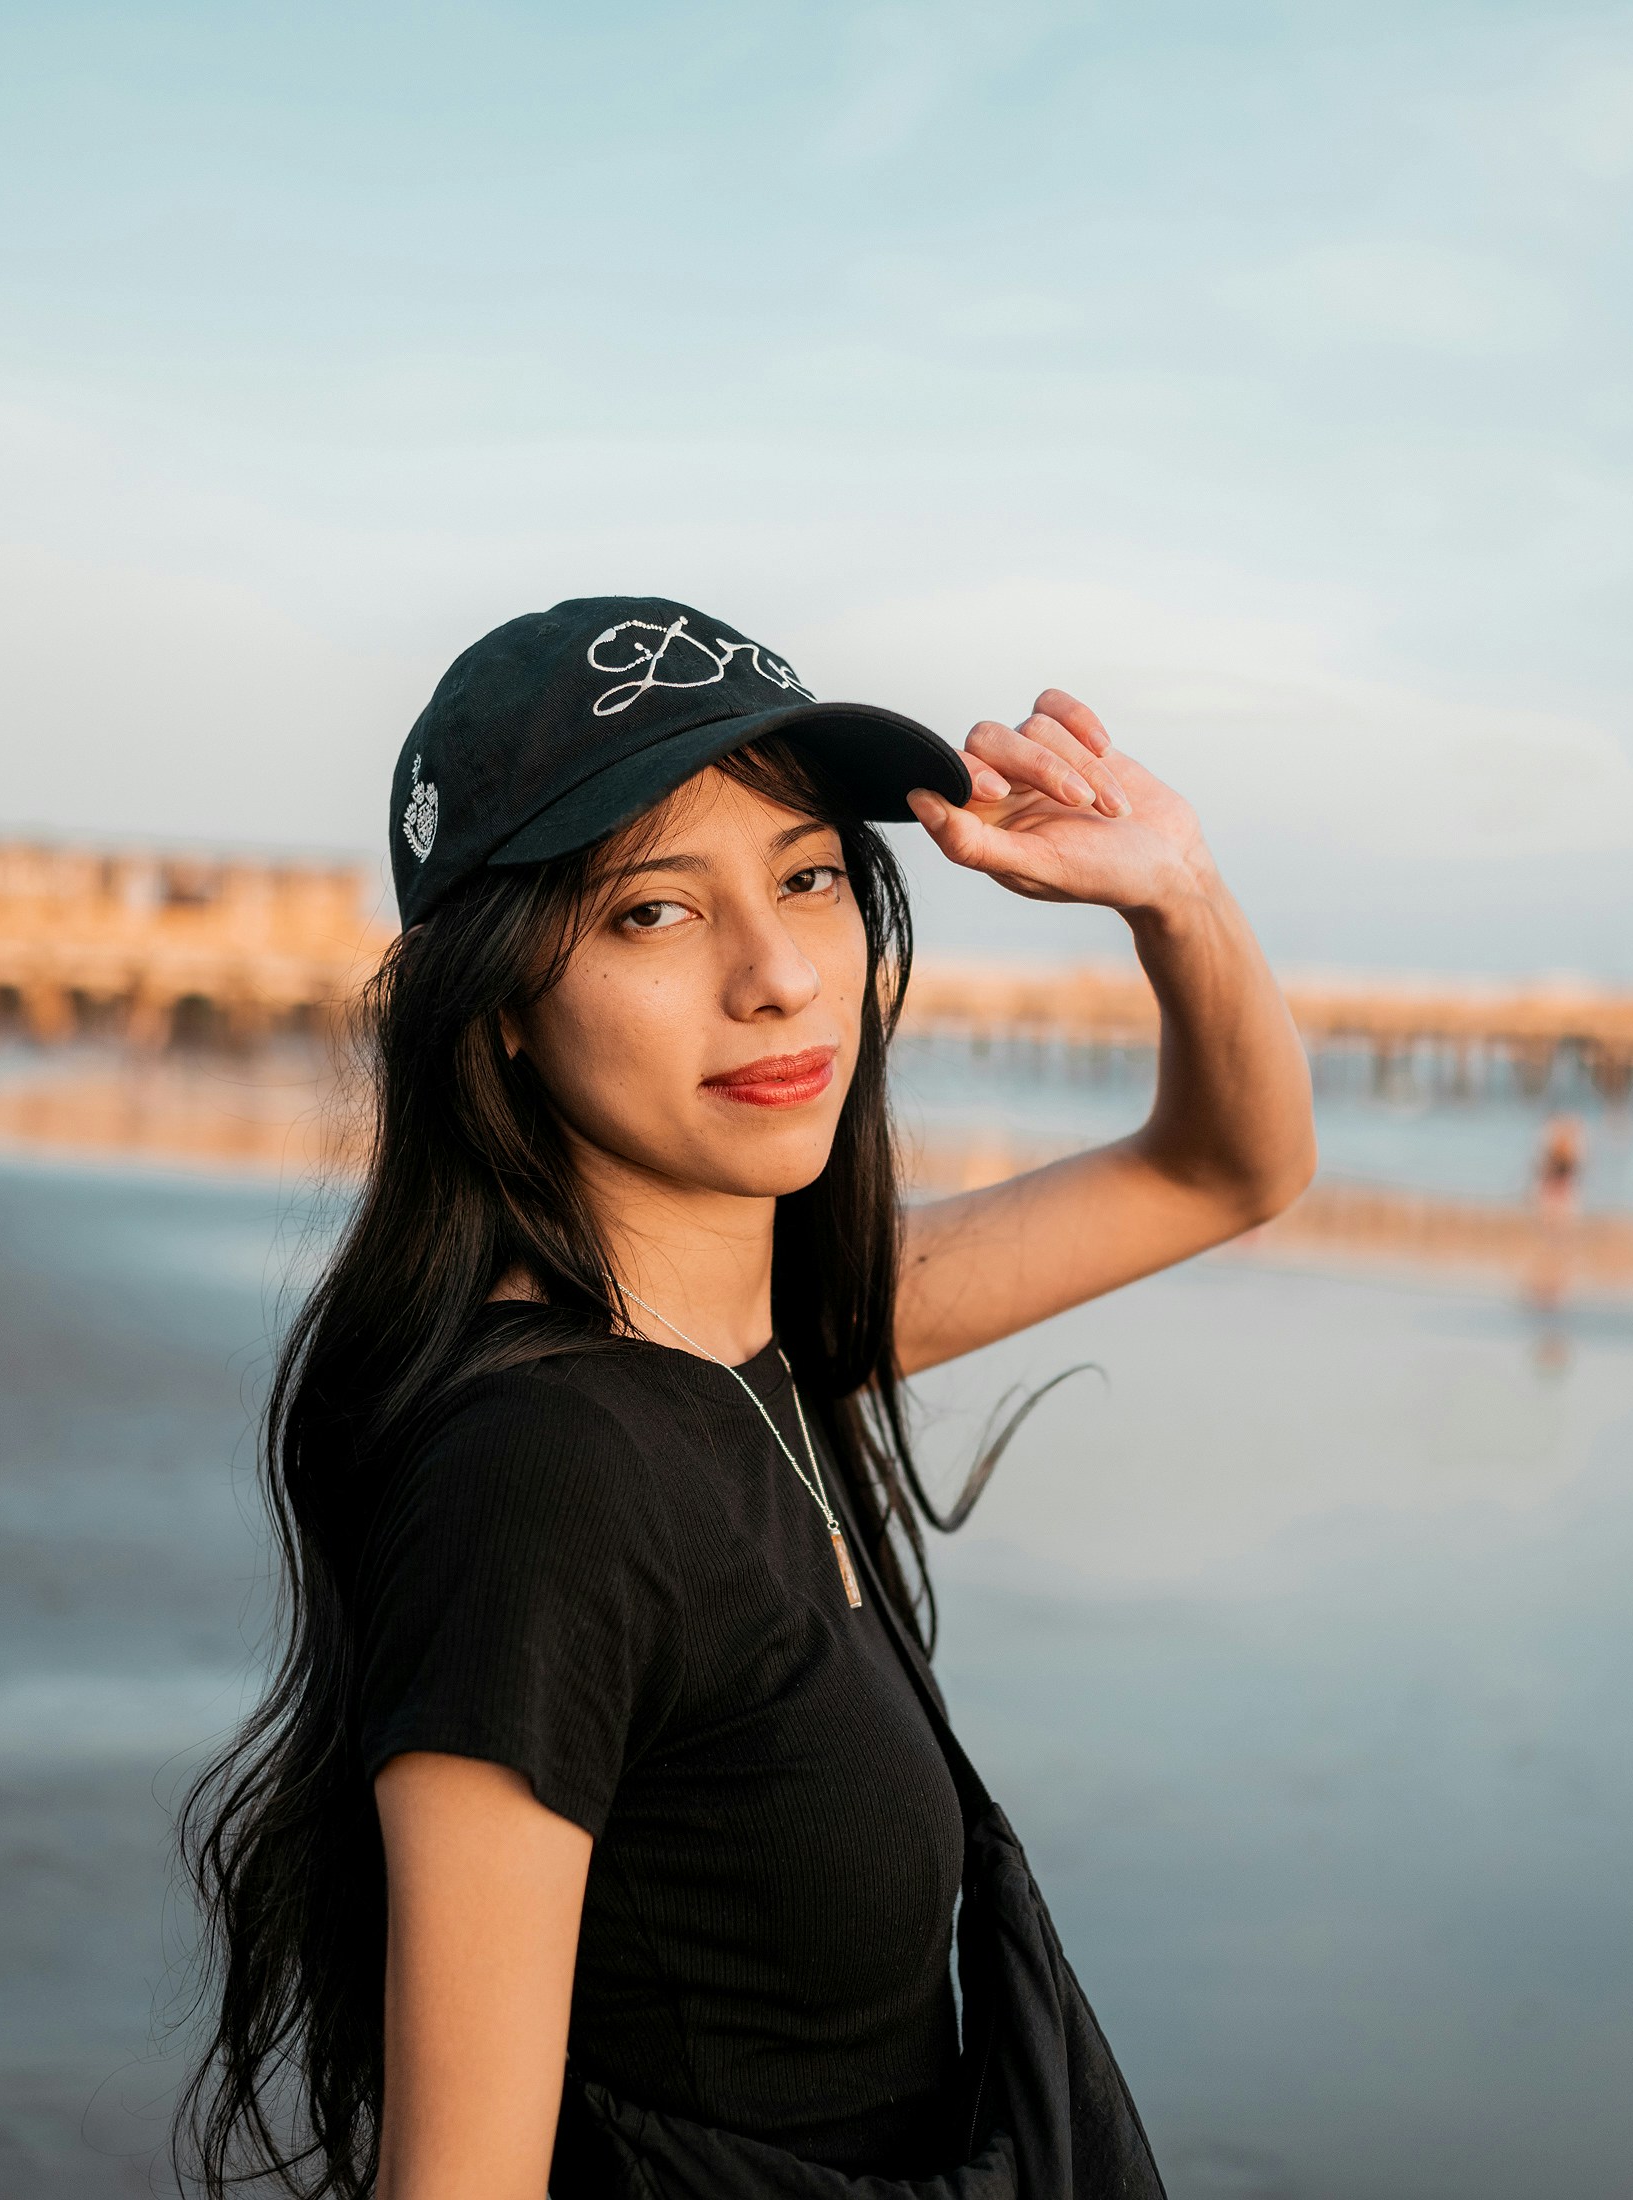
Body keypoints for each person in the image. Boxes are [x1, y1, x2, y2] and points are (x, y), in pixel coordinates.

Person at [182, 598, 1315, 2200]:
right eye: (654, 912)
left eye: (806, 877)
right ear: (502, 1002)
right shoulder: (545, 1475)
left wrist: (1178, 896)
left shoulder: (769, 1344)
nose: (779, 976)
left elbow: (1227, 1168)